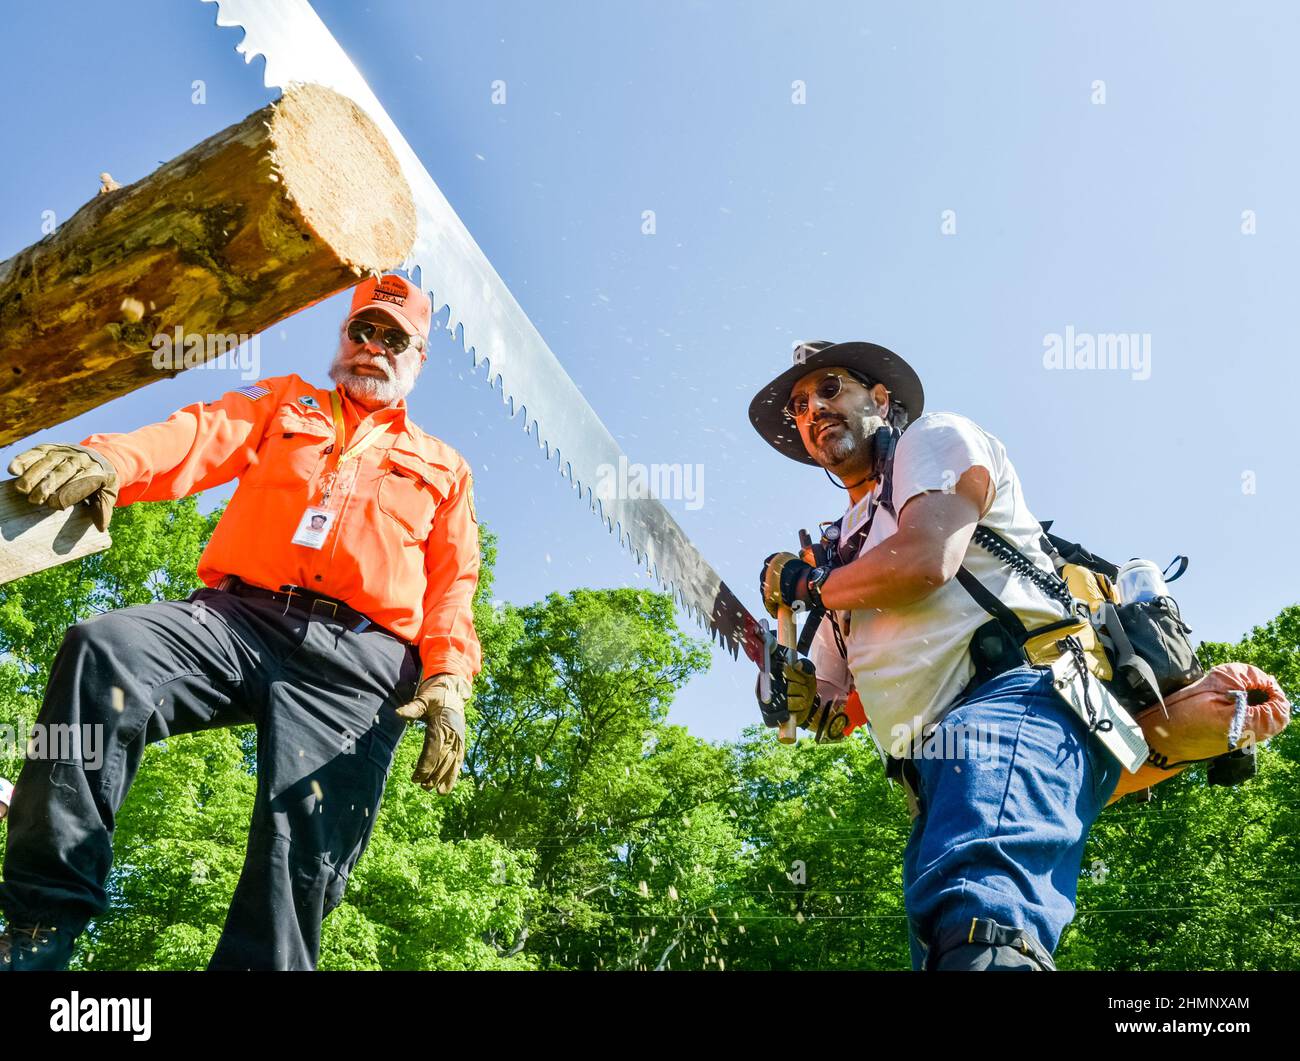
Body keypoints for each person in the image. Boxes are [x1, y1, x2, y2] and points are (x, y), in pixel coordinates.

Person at [0, 273, 481, 971]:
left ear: (419, 358)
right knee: (104, 651)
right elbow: (192, 437)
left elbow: (453, 586)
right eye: (361, 331)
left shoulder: (446, 467)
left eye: (393, 338)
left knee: (299, 853)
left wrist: (448, 680)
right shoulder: (286, 401)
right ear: (344, 338)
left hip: (361, 663)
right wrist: (110, 458)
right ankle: (38, 928)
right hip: (240, 620)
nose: (373, 347)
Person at [750, 340, 1123, 971]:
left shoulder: (933, 440)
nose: (813, 409)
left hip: (1017, 703)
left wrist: (807, 586)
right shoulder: (844, 548)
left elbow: (926, 561)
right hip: (933, 773)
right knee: (951, 945)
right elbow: (833, 708)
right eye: (799, 405)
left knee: (986, 930)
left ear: (881, 399)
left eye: (830, 388)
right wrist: (789, 693)